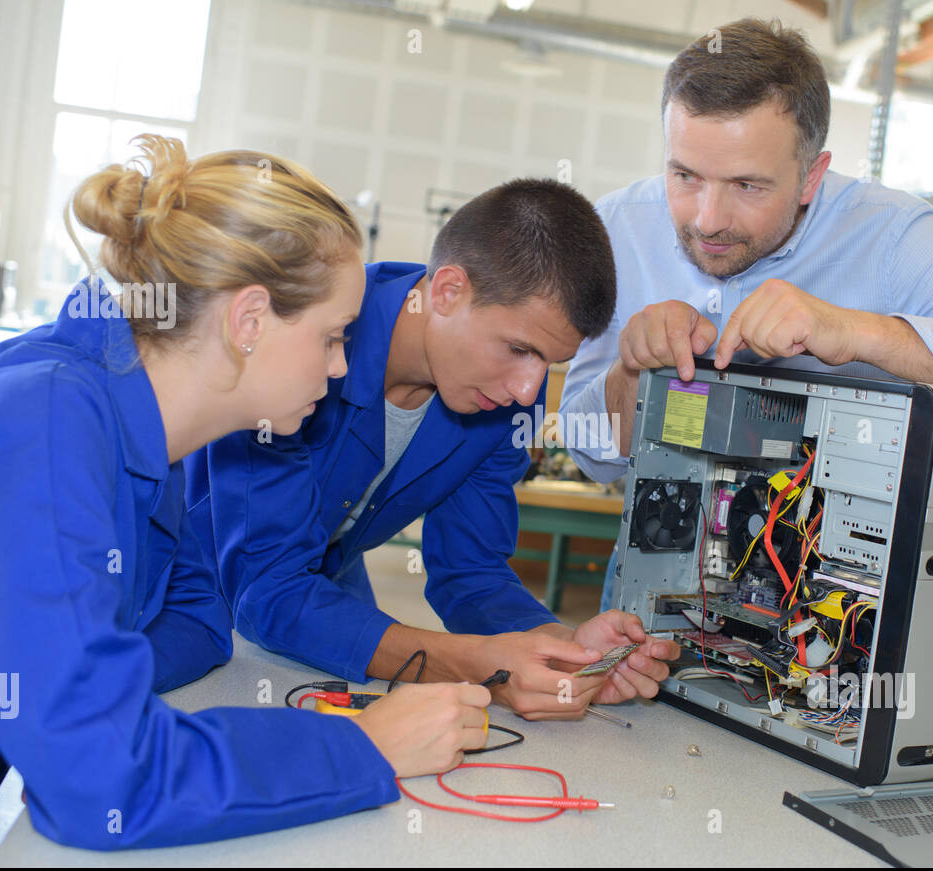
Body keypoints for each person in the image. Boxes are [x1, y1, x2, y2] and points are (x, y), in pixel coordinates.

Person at [0, 135, 489, 865]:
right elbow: (106, 784)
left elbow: (194, 619)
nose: (344, 364)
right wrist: (361, 744)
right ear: (248, 322)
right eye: (333, 335)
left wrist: (80, 705)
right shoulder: (46, 431)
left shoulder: (137, 424)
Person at [557, 18, 933, 608]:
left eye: (747, 186)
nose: (708, 218)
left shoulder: (891, 236)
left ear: (812, 174)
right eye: (684, 175)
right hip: (654, 573)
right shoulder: (615, 230)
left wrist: (861, 332)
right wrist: (630, 373)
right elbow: (589, 455)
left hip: (837, 602)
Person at [185, 179, 678, 721]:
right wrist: (473, 663)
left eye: (550, 364)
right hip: (184, 596)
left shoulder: (505, 403)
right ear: (447, 291)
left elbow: (471, 571)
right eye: (519, 349)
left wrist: (564, 649)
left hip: (316, 603)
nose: (527, 392)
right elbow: (268, 590)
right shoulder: (309, 341)